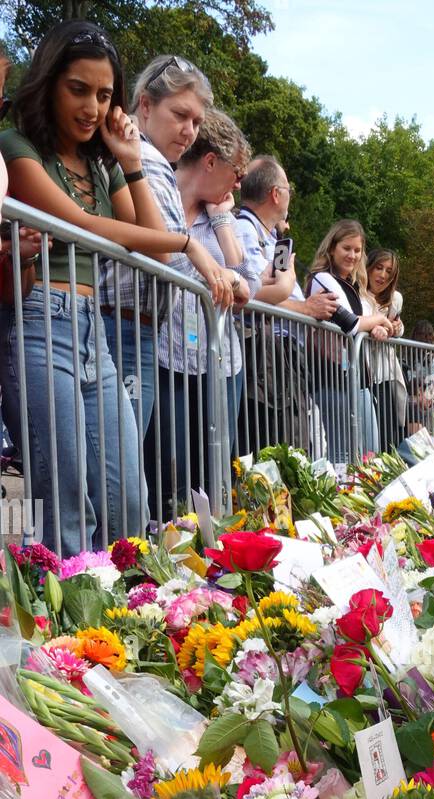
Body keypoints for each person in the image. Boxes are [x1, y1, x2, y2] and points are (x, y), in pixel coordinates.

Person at [0, 20, 228, 555]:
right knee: (67, 503)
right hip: (36, 324)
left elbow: (150, 245)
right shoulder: (16, 145)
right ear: (49, 82)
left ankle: (118, 619)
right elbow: (85, 228)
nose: (92, 109)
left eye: (104, 95)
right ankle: (68, 634)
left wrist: (129, 162)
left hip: (91, 332)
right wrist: (188, 243)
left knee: (130, 497)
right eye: (78, 89)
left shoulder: (101, 165)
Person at [100, 54, 231, 447]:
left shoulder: (155, 162)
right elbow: (169, 257)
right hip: (121, 326)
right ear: (145, 105)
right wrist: (229, 278)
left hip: (137, 327)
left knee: (122, 467)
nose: (189, 131)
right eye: (180, 115)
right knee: (119, 471)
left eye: (195, 122)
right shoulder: (142, 159)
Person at [146, 109, 252, 516]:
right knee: (166, 473)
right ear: (211, 162)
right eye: (236, 171)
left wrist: (223, 223)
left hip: (218, 364)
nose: (239, 183)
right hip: (164, 356)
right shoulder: (157, 195)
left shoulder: (225, 218)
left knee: (213, 473)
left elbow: (247, 284)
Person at [234, 155, 337, 456]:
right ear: (275, 194)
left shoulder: (269, 236)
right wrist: (305, 309)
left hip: (282, 357)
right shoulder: (244, 231)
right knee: (275, 445)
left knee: (295, 443)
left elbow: (274, 293)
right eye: (288, 188)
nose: (291, 195)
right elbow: (251, 297)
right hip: (265, 361)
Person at [305, 219, 392, 474]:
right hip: (332, 377)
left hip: (357, 378)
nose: (352, 255)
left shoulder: (353, 286)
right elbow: (352, 324)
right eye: (347, 248)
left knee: (369, 451)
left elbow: (366, 322)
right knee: (343, 453)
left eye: (357, 250)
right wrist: (378, 320)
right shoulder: (322, 279)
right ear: (332, 248)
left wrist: (377, 326)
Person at [364, 248, 407, 453]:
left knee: (390, 434)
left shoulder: (394, 299)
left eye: (388, 271)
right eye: (378, 268)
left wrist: (397, 328)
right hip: (365, 373)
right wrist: (376, 327)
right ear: (368, 267)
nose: (382, 275)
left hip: (386, 374)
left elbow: (397, 325)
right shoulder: (357, 295)